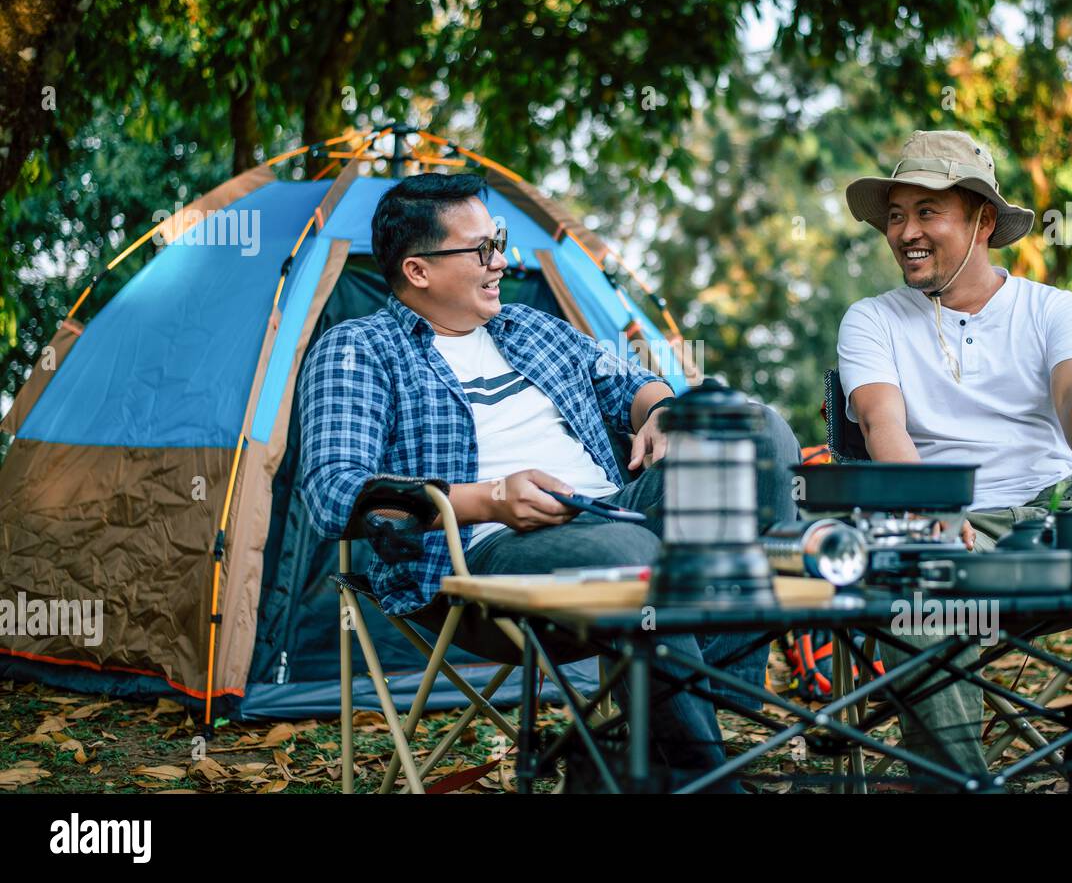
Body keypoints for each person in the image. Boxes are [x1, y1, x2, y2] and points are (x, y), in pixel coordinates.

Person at [299, 172, 800, 790]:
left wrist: (661, 410)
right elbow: (332, 493)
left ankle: (704, 704)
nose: (502, 260)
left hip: (616, 515)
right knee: (628, 554)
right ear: (419, 271)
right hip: (480, 561)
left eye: (499, 239)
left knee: (759, 432)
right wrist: (488, 501)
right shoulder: (358, 349)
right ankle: (704, 774)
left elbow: (628, 383)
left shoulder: (531, 328)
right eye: (480, 249)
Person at [837, 129, 1072, 781]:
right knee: (916, 589)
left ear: (982, 220)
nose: (904, 231)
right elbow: (879, 421)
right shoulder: (872, 319)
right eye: (895, 216)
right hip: (947, 516)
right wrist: (931, 515)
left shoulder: (1054, 309)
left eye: (927, 211)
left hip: (1051, 511)